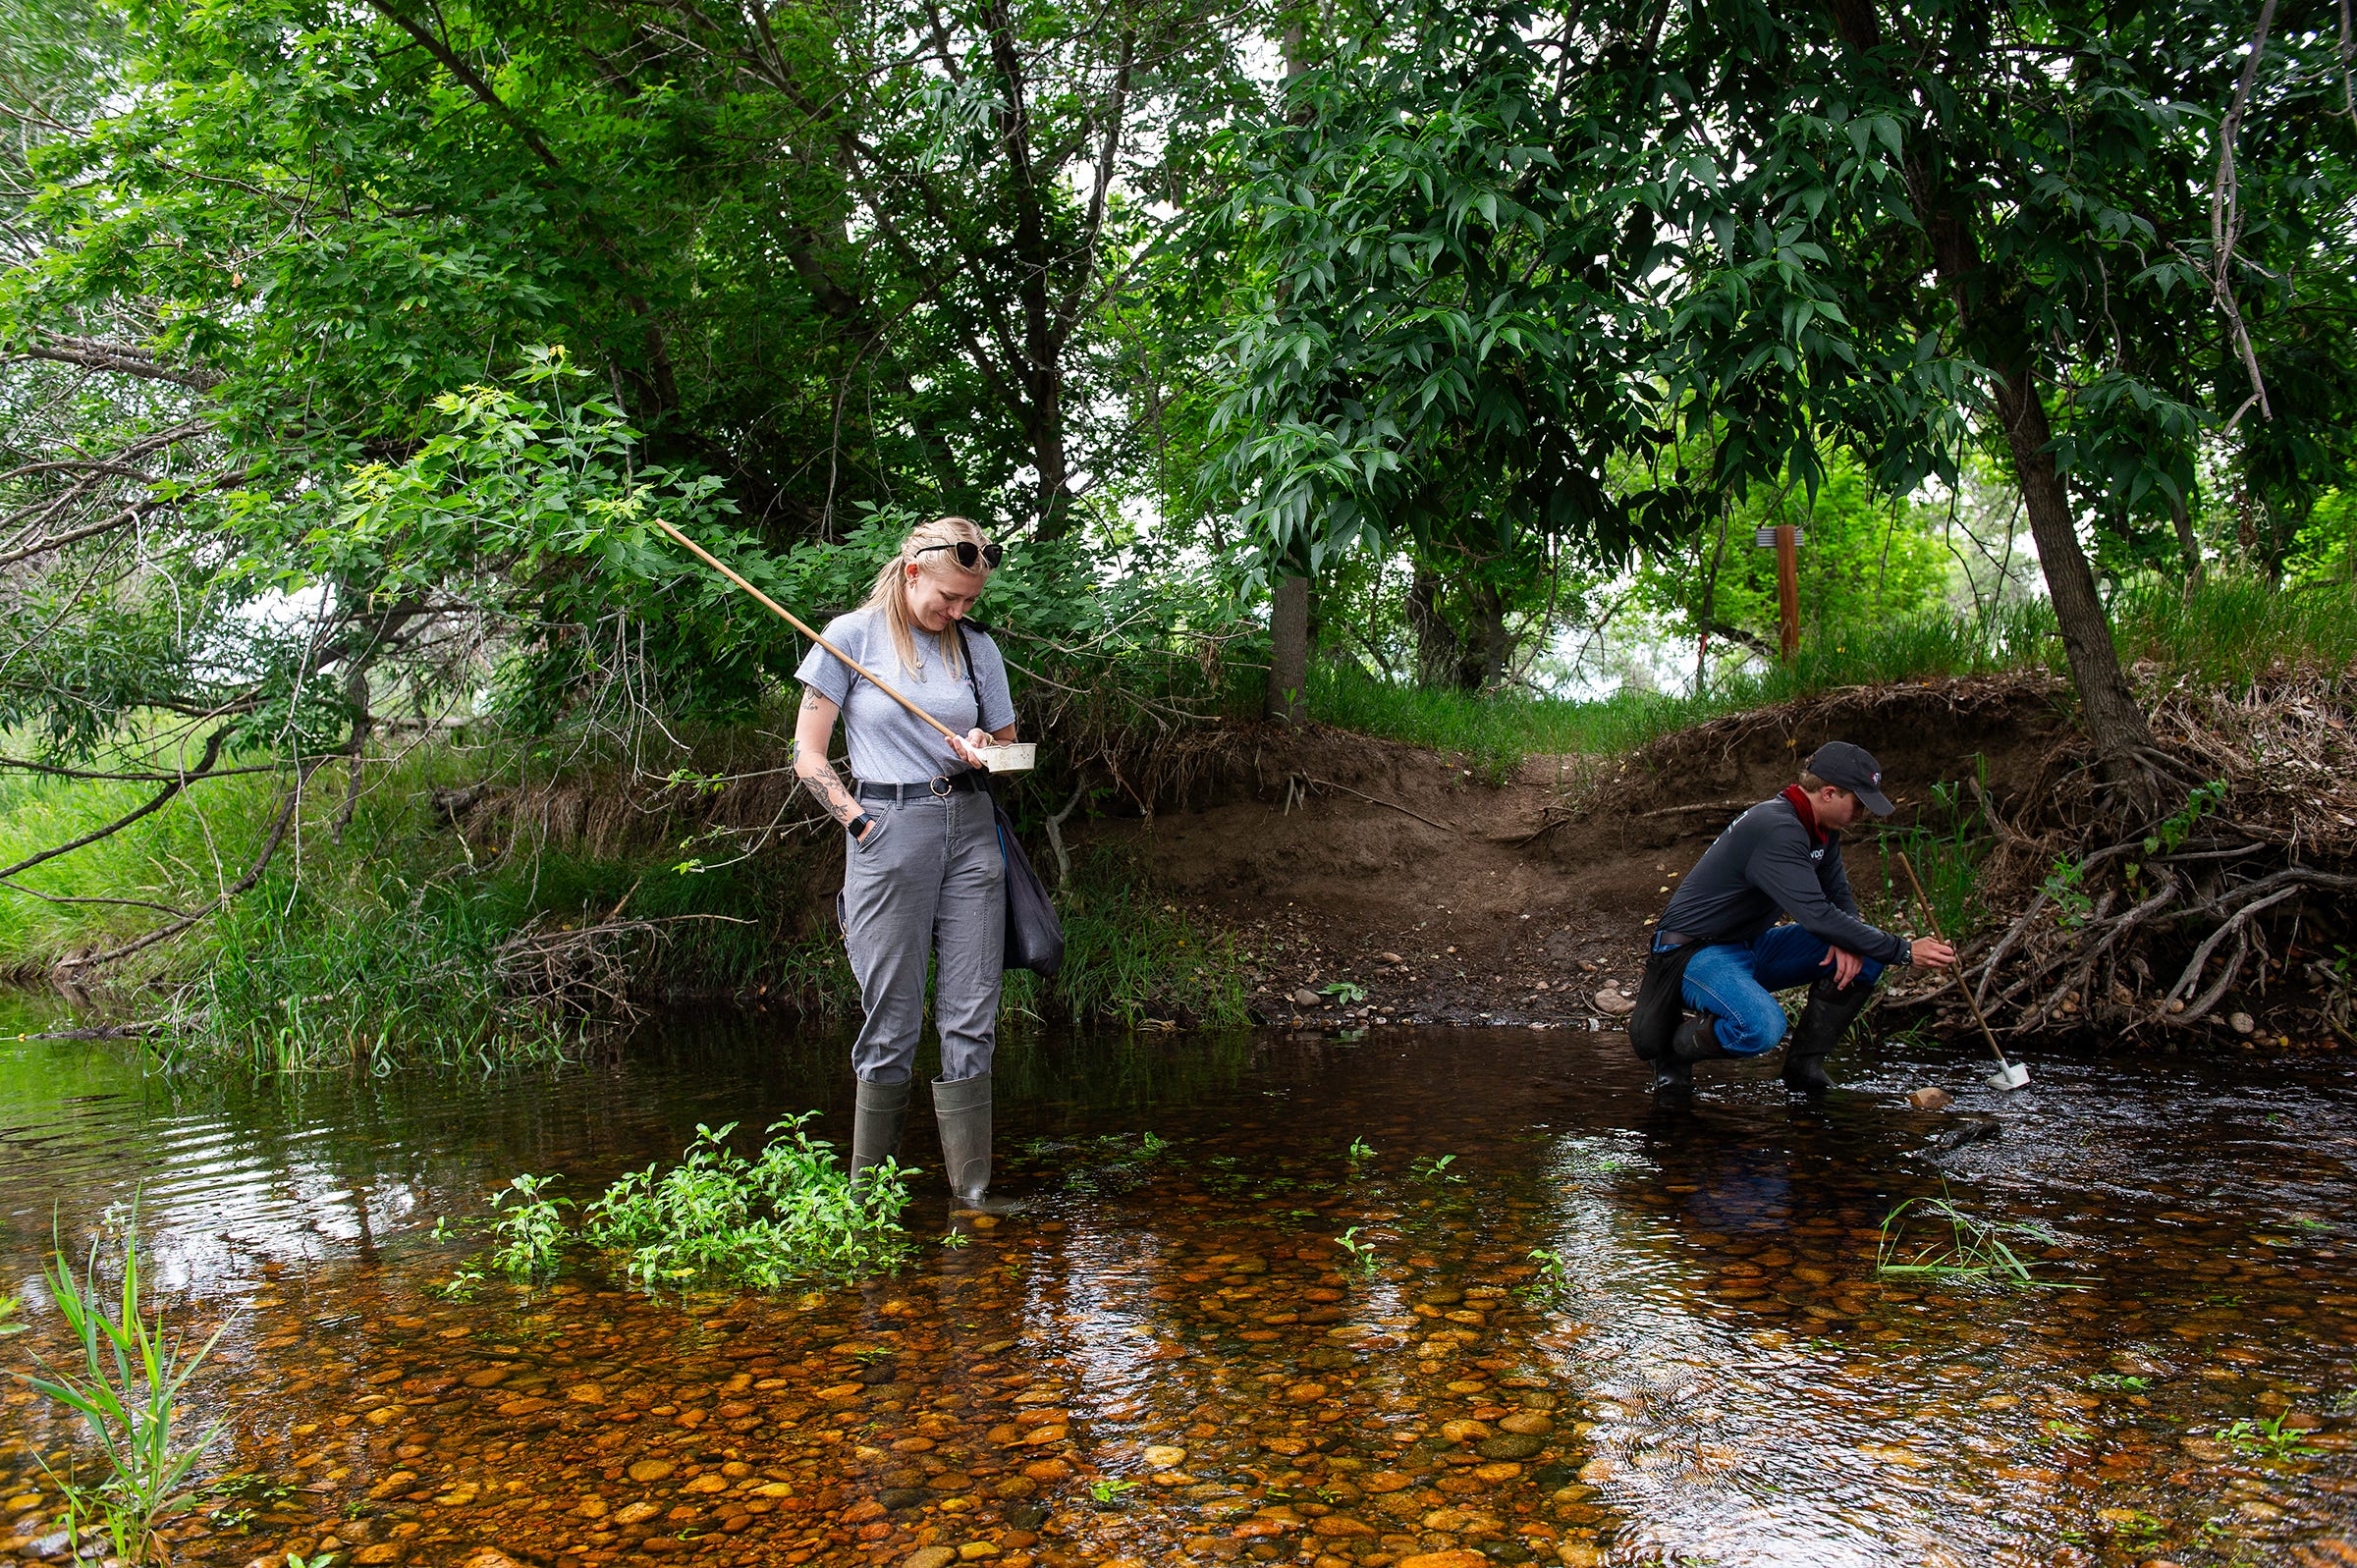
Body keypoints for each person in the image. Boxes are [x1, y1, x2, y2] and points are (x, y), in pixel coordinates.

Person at [793, 515, 1018, 1207]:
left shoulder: (977, 649)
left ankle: (972, 1195)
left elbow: (1016, 756)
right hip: (888, 830)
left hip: (974, 835)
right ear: (913, 570)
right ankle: (870, 1200)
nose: (957, 611)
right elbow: (807, 755)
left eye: (969, 601)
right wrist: (859, 822)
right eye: (948, 597)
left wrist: (987, 747)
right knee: (891, 1017)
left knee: (971, 1014)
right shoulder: (850, 638)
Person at [1630, 742, 1957, 1096]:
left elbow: (1839, 897)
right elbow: (1815, 914)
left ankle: (1804, 1069)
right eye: (1859, 804)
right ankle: (1673, 1051)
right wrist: (1906, 951)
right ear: (1829, 793)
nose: (1864, 814)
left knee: (1866, 956)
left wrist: (1849, 939)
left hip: (1749, 945)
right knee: (1762, 1028)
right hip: (1692, 956)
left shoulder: (1819, 829)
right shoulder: (1776, 828)